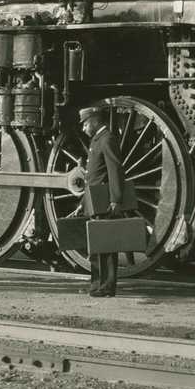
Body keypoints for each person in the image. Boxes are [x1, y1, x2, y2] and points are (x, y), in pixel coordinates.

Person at [80, 104, 132, 298]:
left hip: (103, 202)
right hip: (94, 201)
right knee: (96, 246)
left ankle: (107, 286)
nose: (84, 128)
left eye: (85, 124)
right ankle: (97, 285)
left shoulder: (107, 139)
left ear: (94, 121)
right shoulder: (98, 140)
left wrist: (116, 199)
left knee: (106, 246)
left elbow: (114, 171)